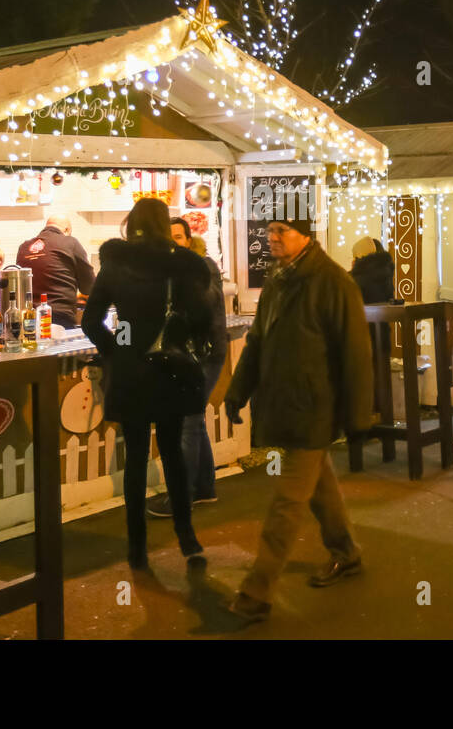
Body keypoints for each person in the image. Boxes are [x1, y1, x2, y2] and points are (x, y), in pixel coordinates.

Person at [224, 212, 373, 624]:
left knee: (287, 503)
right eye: (269, 230)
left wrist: (359, 416)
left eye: (281, 231)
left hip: (313, 406)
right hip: (288, 401)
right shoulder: (279, 278)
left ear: (305, 236)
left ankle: (256, 593)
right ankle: (346, 553)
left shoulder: (334, 282)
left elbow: (356, 354)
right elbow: (257, 341)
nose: (271, 237)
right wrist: (238, 390)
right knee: (319, 485)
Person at [80, 199, 215, 569]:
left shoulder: (115, 265)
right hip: (169, 368)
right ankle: (187, 540)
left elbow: (92, 321)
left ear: (132, 223)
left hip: (129, 371)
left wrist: (117, 351)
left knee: (135, 458)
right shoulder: (182, 265)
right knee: (172, 453)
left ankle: (136, 548)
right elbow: (201, 318)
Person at [145, 217, 230, 519]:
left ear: (188, 240)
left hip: (204, 354)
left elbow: (205, 303)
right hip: (186, 355)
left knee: (187, 423)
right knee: (194, 421)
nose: (172, 243)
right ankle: (204, 489)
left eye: (178, 237)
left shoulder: (201, 266)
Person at [17, 215, 94, 328]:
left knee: (33, 345)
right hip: (59, 317)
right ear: (67, 230)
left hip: (28, 317)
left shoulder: (24, 247)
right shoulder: (70, 243)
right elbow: (89, 287)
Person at [349, 236, 396, 304]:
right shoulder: (385, 272)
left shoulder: (360, 276)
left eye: (355, 257)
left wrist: (353, 271)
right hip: (385, 313)